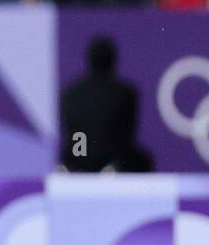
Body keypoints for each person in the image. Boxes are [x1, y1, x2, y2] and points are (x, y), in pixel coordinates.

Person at [59, 37, 152, 172]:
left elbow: (73, 134)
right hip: (114, 162)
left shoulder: (72, 92)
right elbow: (128, 134)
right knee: (141, 160)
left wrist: (81, 156)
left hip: (77, 159)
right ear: (113, 60)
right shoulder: (125, 93)